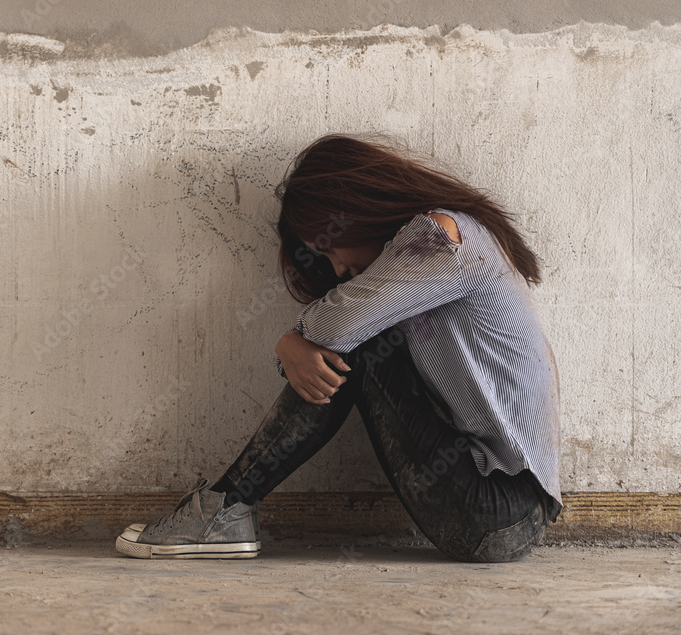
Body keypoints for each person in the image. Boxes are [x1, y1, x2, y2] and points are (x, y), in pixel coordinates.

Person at [115, 134, 562, 563]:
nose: (338, 268)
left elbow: (342, 325)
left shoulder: (441, 237)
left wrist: (291, 341)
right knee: (361, 337)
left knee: (359, 345)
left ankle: (226, 508)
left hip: (500, 509)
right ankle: (226, 509)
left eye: (329, 248)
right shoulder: (447, 240)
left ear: (352, 211)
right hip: (500, 510)